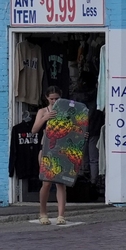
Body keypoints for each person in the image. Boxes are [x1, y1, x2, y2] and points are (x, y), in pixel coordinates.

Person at [32, 85, 87, 226]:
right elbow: (34, 129)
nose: (54, 101)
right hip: (46, 149)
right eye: (52, 99)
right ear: (47, 98)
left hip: (63, 148)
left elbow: (75, 128)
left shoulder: (67, 111)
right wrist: (45, 118)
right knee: (46, 181)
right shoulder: (43, 111)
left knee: (61, 183)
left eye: (57, 99)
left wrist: (82, 134)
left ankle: (61, 214)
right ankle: (43, 212)